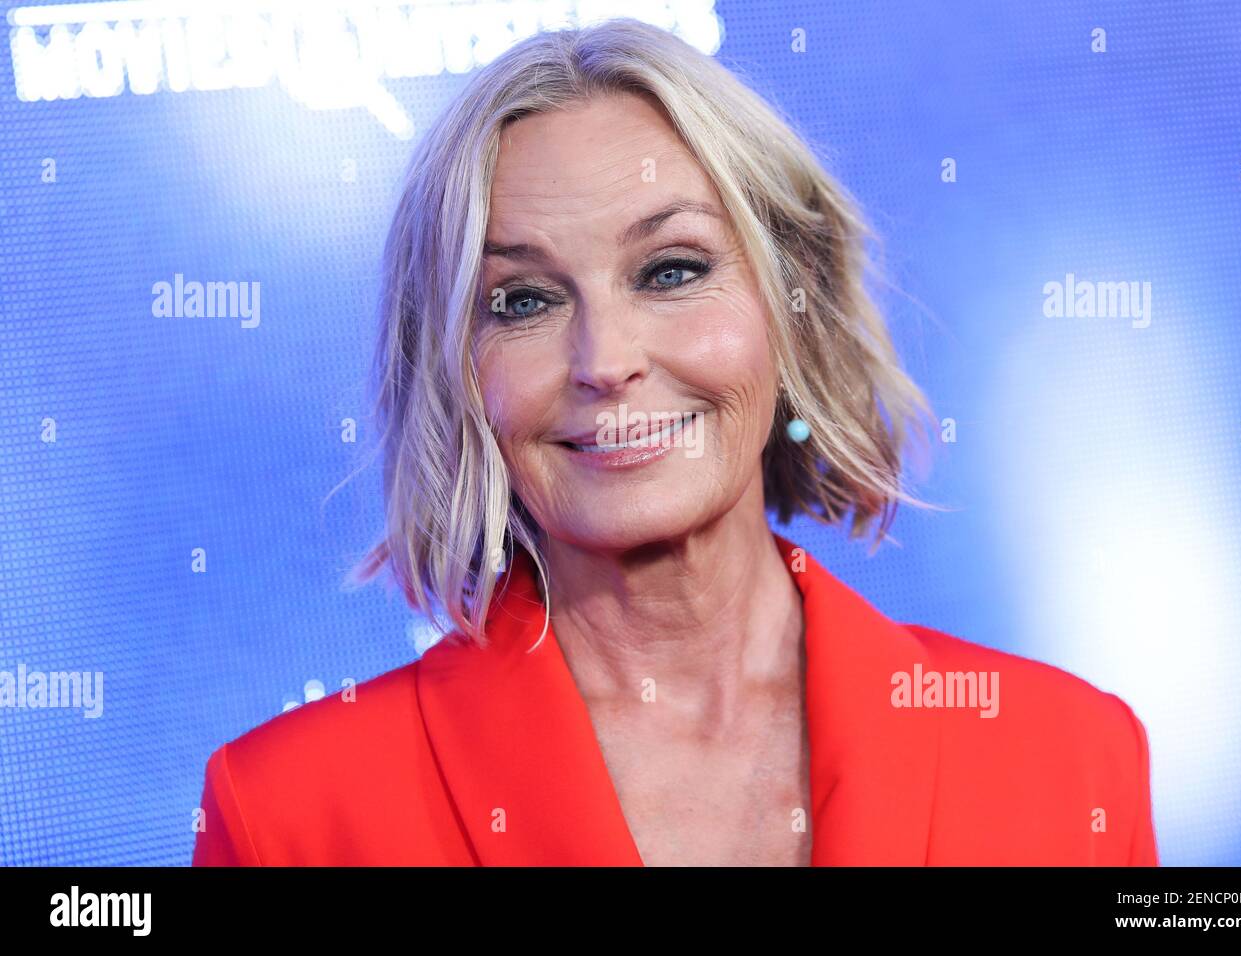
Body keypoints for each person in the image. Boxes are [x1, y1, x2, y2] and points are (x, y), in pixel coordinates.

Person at [193, 18, 1157, 867]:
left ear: (791, 306)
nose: (604, 361)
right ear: (453, 372)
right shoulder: (290, 817)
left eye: (670, 271)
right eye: (522, 301)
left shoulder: (1070, 754)